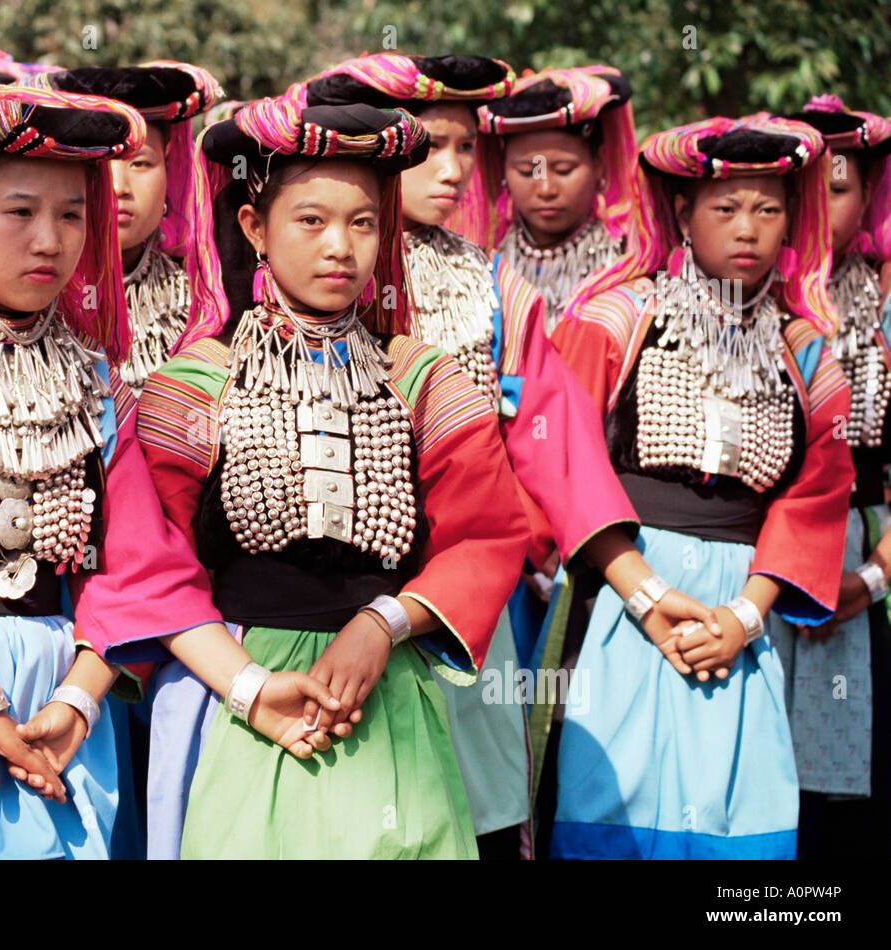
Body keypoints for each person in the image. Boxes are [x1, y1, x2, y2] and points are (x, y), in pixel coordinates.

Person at [0, 80, 309, 858]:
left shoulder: (95, 383)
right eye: (20, 212)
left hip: (66, 698)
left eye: (70, 215)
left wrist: (83, 700)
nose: (50, 241)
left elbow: (140, 568)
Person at [300, 51, 718, 860]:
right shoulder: (289, 278)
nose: (456, 169)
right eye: (430, 146)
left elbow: (559, 451)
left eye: (467, 147)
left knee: (473, 816)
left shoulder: (495, 287)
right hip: (316, 611)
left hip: (460, 608)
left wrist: (644, 591)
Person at [129, 94, 533, 858]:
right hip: (234, 694)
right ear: (254, 228)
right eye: (311, 221)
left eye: (363, 223)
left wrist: (384, 624)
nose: (340, 247)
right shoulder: (194, 385)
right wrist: (246, 684)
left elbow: (485, 538)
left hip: (386, 692)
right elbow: (151, 563)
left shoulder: (424, 381)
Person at [547, 114, 853, 858]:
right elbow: (561, 458)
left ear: (792, 220)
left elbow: (814, 495)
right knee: (609, 812)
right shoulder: (616, 319)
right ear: (682, 213)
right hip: (618, 593)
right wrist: (644, 592)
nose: (748, 228)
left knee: (735, 827)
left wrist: (745, 617)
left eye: (768, 208)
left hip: (738, 612)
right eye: (726, 207)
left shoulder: (806, 351)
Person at [773, 96, 891, 859]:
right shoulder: (741, 297)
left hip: (861, 565)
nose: (819, 206)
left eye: (838, 188)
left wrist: (872, 579)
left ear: (871, 192)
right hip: (748, 572)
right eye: (801, 191)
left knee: (847, 809)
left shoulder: (885, 300)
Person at [37, 62, 224, 394]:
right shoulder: (31, 297)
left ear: (169, 168)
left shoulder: (206, 299)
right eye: (98, 164)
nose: (118, 187)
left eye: (140, 163)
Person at [471, 66, 636, 334]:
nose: (546, 189)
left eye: (564, 170)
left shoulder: (629, 265)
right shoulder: (478, 266)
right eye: (528, 172)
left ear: (600, 165)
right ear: (502, 170)